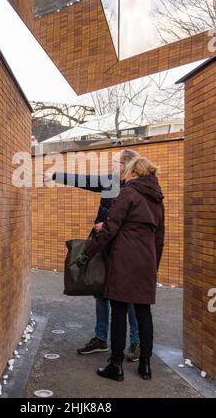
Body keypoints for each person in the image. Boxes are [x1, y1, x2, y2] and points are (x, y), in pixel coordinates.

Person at [43, 149, 141, 361]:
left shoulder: (137, 187)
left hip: (124, 249)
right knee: (100, 291)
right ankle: (100, 339)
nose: (111, 165)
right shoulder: (111, 182)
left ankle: (136, 342)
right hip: (105, 245)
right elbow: (85, 180)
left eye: (114, 162)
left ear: (126, 165)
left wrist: (107, 224)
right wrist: (56, 176)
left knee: (130, 297)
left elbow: (136, 222)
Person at [76, 156, 165, 381]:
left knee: (119, 312)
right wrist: (154, 265)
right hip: (146, 260)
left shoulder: (128, 192)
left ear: (133, 172)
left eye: (125, 171)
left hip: (124, 259)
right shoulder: (157, 198)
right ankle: (145, 365)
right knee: (144, 313)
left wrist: (87, 254)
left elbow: (110, 229)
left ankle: (115, 366)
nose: (121, 175)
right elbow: (160, 236)